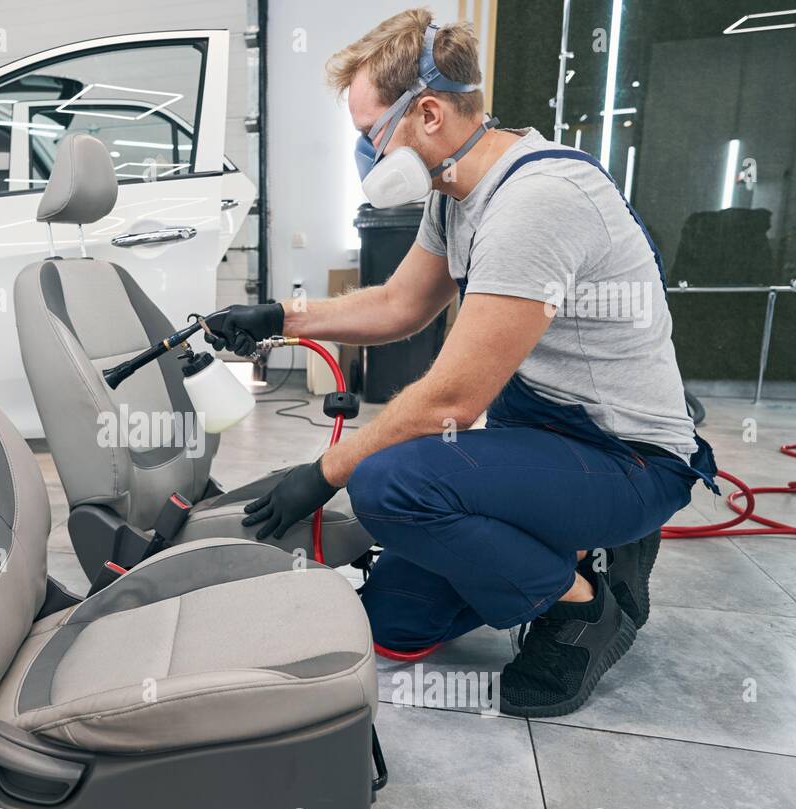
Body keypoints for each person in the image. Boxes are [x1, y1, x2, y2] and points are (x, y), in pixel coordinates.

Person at [203, 8, 717, 717]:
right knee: (394, 622)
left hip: (624, 456)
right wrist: (281, 319)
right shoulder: (455, 193)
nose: (367, 158)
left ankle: (584, 604)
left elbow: (452, 401)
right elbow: (399, 305)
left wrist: (321, 474)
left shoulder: (535, 203)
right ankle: (564, 543)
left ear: (431, 116)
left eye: (369, 136)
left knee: (387, 487)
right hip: (546, 434)